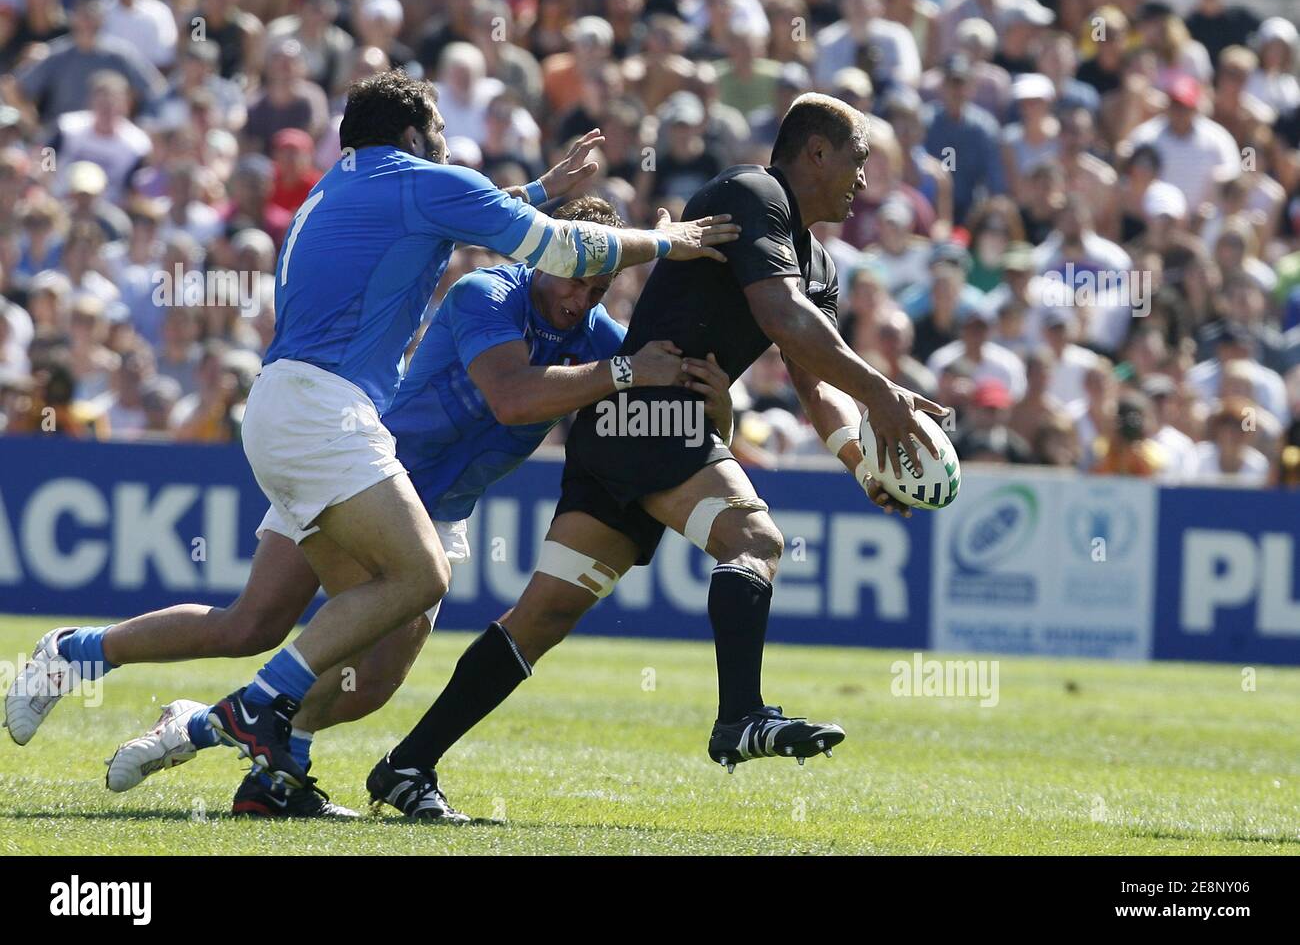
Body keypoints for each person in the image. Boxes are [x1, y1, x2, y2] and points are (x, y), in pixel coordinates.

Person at [5, 69, 740, 796]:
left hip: (292, 409)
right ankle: (255, 710)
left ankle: (85, 657)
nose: (448, 151)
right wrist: (668, 240)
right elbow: (559, 254)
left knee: (265, 625)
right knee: (419, 579)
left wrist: (543, 192)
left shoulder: (350, 182)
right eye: (442, 138)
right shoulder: (426, 187)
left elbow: (459, 220)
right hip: (327, 416)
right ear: (416, 135)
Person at [365, 94, 946, 819]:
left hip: (626, 427)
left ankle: (407, 763)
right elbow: (781, 319)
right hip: (653, 414)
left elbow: (811, 374)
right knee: (755, 539)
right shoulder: (753, 194)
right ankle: (742, 715)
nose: (865, 180)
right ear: (817, 153)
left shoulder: (818, 261)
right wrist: (887, 393)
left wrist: (864, 462)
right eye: (858, 160)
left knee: (541, 617)